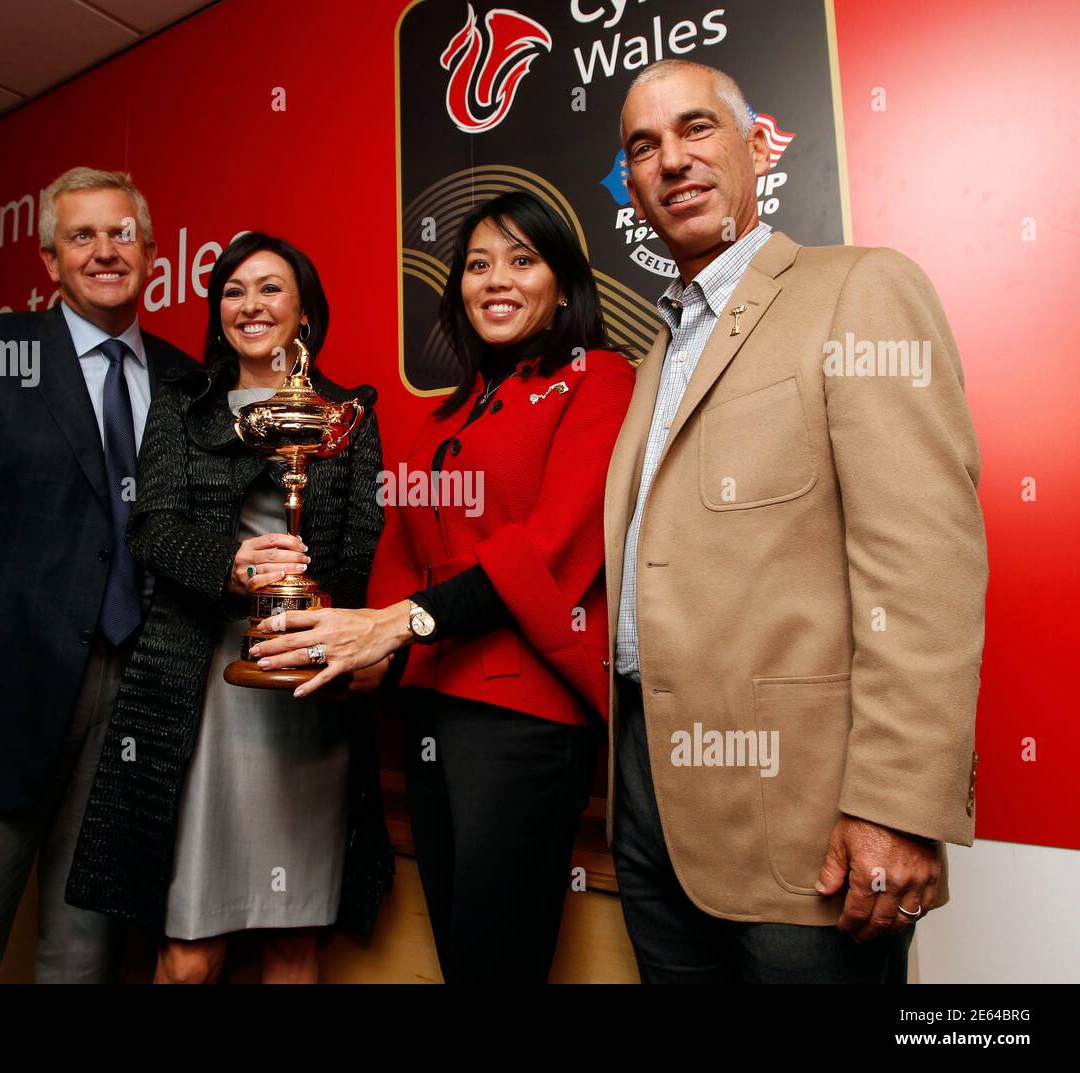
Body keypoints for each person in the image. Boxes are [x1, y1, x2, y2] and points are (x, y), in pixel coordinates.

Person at [604, 59, 987, 983]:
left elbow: (924, 562)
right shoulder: (656, 348)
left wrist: (899, 802)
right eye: (643, 147)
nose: (672, 161)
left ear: (755, 145)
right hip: (650, 805)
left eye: (697, 129)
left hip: (808, 818)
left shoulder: (860, 290)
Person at [247, 192, 635, 982]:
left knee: (497, 963)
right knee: (462, 959)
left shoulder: (597, 378)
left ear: (563, 286)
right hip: (433, 712)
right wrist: (334, 646)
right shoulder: (440, 415)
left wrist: (397, 624)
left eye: (523, 260)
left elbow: (553, 547)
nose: (496, 280)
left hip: (526, 714)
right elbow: (399, 562)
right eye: (478, 263)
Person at [0, 167, 198, 982]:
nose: (104, 250)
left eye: (121, 233)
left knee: (82, 959)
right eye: (81, 235)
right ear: (50, 259)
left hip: (137, 704)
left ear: (152, 253)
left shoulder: (187, 380)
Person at [65, 232, 393, 984]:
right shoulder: (184, 407)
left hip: (308, 696)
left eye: (270, 288)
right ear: (219, 313)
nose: (251, 305)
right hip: (201, 689)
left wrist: (320, 625)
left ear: (303, 309)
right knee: (187, 955)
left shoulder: (347, 416)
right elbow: (151, 526)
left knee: (293, 944)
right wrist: (232, 566)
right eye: (235, 291)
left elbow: (359, 548)